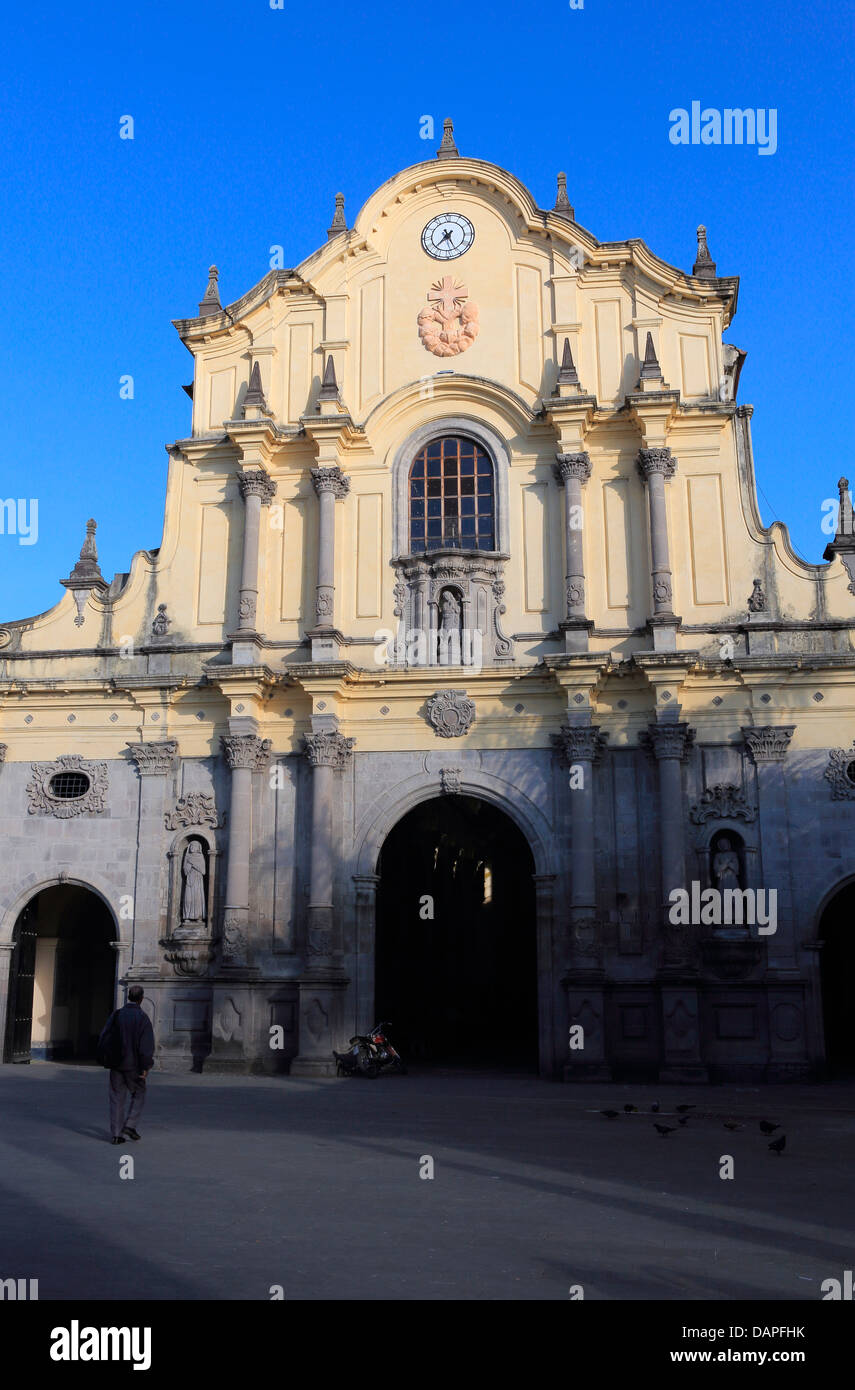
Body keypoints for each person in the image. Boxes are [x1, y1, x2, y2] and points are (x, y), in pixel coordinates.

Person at [98, 985, 155, 1145]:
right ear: (141, 999)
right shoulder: (142, 1018)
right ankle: (130, 1125)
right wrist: (146, 1067)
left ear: (128, 997)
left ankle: (116, 1134)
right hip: (134, 1065)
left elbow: (104, 1036)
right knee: (139, 1093)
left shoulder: (116, 1015)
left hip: (116, 1063)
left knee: (116, 1097)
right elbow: (146, 1046)